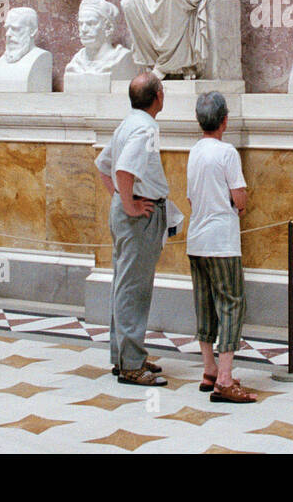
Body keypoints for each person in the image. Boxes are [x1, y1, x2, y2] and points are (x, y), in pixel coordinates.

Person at [95, 71, 173, 386]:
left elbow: (103, 166)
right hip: (138, 215)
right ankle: (130, 366)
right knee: (134, 288)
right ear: (157, 97)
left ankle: (125, 356)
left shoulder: (128, 123)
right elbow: (123, 169)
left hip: (128, 212)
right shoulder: (145, 128)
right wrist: (129, 205)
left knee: (125, 283)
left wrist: (120, 200)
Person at [185, 91, 255, 404]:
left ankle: (209, 369)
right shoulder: (227, 152)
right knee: (230, 303)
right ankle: (225, 380)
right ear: (224, 120)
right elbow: (239, 196)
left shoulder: (194, 151)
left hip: (196, 239)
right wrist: (237, 204)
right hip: (222, 242)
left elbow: (190, 197)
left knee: (204, 303)